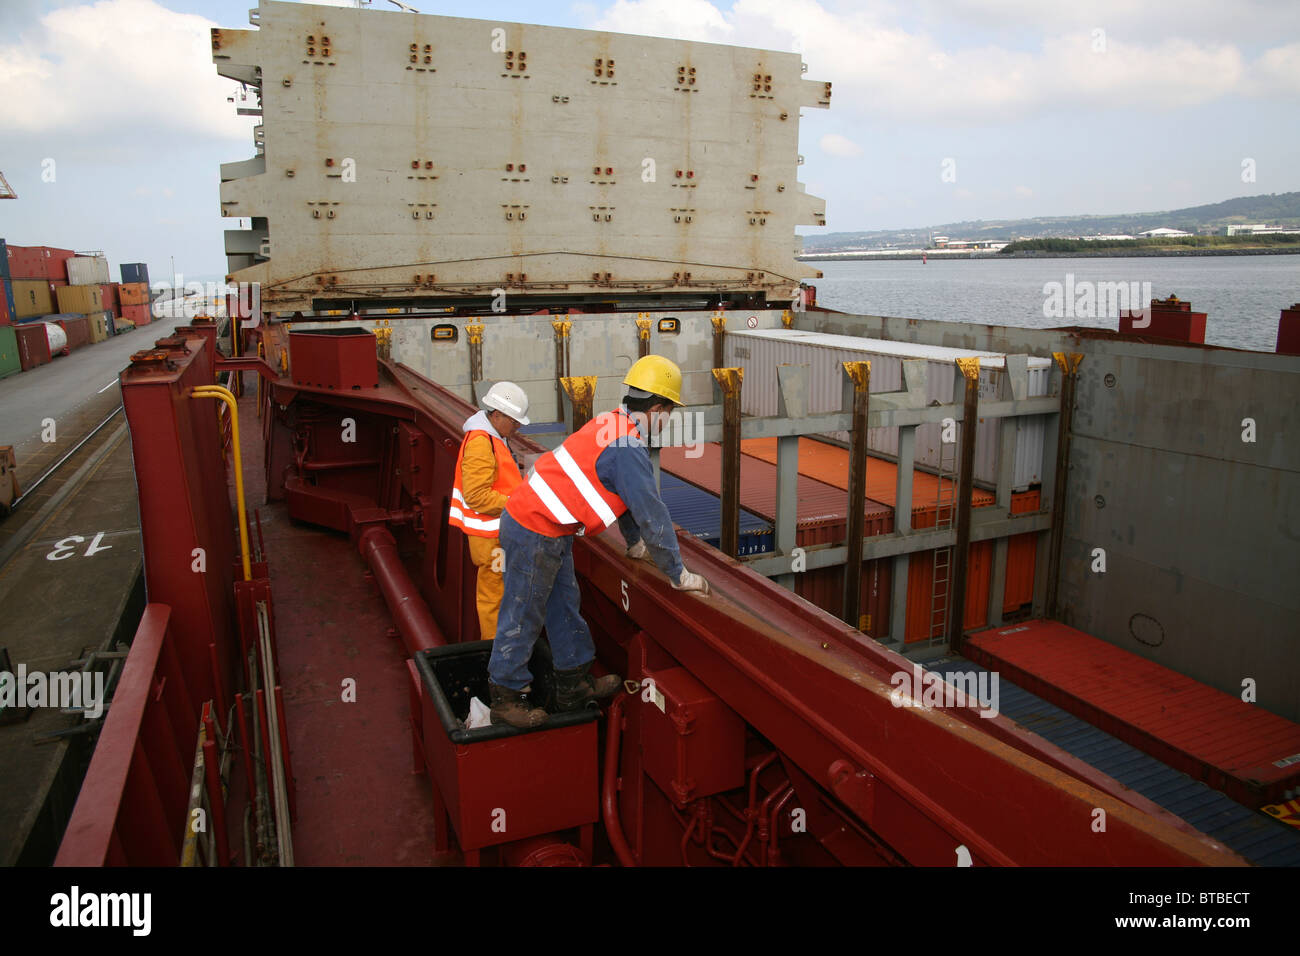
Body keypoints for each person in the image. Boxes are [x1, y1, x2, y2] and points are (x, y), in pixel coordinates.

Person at [487, 355, 712, 728]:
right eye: (668, 413)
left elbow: (621, 497)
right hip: (533, 528)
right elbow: (651, 511)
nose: (667, 421)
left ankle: (573, 685)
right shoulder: (628, 448)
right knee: (523, 611)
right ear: (656, 409)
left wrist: (635, 544)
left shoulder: (612, 424)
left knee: (563, 605)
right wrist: (677, 573)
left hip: (549, 529)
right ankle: (505, 697)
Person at [448, 381, 530, 642]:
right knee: (494, 599)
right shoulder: (481, 444)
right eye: (514, 421)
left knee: (499, 596)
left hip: (497, 537)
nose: (517, 427)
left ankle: (501, 653)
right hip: (491, 541)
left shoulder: (494, 438)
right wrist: (519, 502)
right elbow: (476, 496)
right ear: (497, 415)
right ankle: (497, 655)